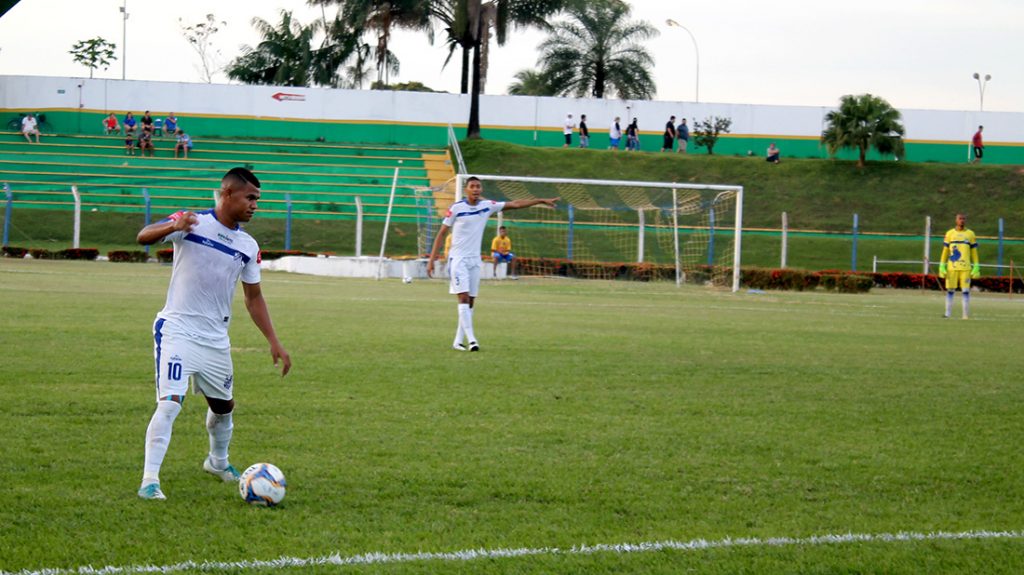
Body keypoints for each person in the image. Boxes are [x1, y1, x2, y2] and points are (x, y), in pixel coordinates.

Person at [135, 167, 291, 500]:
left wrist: (274, 340)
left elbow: (253, 296)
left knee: (224, 408)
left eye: (257, 200)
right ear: (227, 194)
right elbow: (144, 236)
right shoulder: (191, 222)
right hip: (177, 330)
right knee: (170, 404)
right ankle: (150, 481)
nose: (254, 205)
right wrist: (172, 226)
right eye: (250, 197)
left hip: (215, 339)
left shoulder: (248, 246)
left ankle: (217, 463)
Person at [426, 177, 558, 352]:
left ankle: (458, 341)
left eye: (478, 186)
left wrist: (539, 200)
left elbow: (516, 204)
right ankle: (472, 340)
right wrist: (432, 260)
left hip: (474, 259)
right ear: (466, 190)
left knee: (470, 301)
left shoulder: (487, 205)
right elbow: (441, 234)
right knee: (463, 298)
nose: (476, 189)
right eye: (472, 186)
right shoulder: (456, 208)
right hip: (457, 259)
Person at [939, 213, 980, 320]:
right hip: (952, 268)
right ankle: (947, 313)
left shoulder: (970, 234)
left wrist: (976, 265)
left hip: (965, 268)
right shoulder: (949, 234)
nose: (962, 221)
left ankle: (965, 315)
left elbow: (974, 252)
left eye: (963, 219)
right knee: (950, 290)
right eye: (960, 219)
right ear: (956, 220)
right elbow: (945, 251)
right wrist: (942, 265)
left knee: (965, 291)